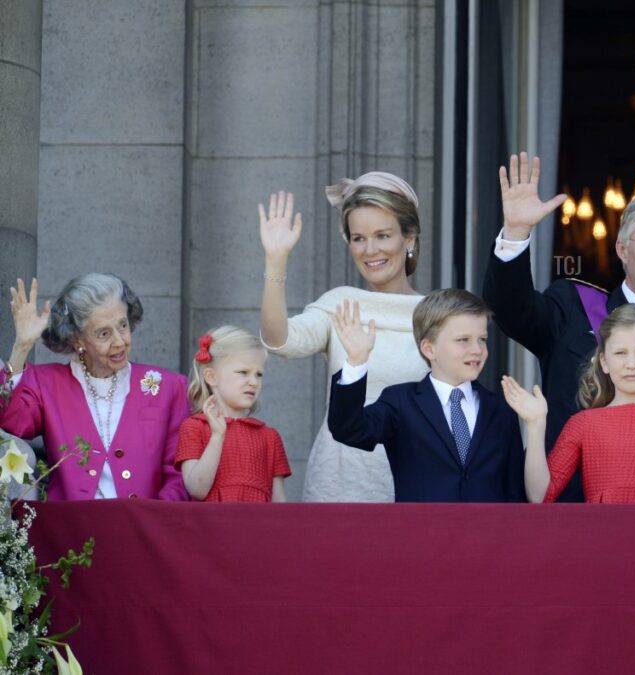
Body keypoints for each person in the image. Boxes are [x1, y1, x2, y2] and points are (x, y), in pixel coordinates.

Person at [483, 153, 635, 501]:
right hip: (568, 517)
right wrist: (516, 234)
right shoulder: (573, 307)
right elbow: (510, 311)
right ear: (622, 249)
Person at [259, 173, 429, 503]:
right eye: (359, 238)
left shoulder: (435, 314)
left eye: (383, 235)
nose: (370, 250)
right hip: (337, 487)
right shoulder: (340, 304)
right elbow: (280, 341)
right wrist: (275, 260)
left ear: (409, 238)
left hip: (412, 486)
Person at [0, 275, 189, 500]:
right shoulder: (47, 383)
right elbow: (13, 421)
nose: (119, 341)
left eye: (123, 325)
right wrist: (21, 347)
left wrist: (154, 517)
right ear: (78, 339)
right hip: (70, 521)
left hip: (146, 520)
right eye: (104, 333)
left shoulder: (169, 387)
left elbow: (178, 473)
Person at [327, 289, 525, 502]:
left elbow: (514, 491)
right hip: (421, 524)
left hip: (488, 525)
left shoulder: (502, 408)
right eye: (463, 340)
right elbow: (350, 430)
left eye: (482, 339)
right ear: (429, 349)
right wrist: (357, 361)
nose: (477, 349)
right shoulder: (400, 402)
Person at [503, 304, 635, 503]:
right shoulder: (583, 424)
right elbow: (540, 496)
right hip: (598, 525)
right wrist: (536, 425)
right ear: (604, 362)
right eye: (620, 353)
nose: (632, 364)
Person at [175, 327, 290, 502]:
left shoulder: (270, 437)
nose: (254, 382)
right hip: (213, 520)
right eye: (243, 372)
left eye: (259, 374)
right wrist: (217, 436)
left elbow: (279, 503)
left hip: (258, 520)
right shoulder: (194, 427)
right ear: (211, 377)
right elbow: (197, 490)